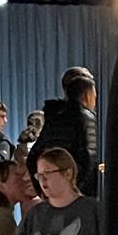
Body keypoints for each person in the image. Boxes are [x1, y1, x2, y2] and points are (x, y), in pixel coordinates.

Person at [28, 67, 99, 197]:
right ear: (87, 95)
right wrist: (72, 193)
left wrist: (43, 190)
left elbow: (33, 157)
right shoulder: (85, 118)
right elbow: (88, 158)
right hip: (79, 197)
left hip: (53, 195)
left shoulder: (53, 118)